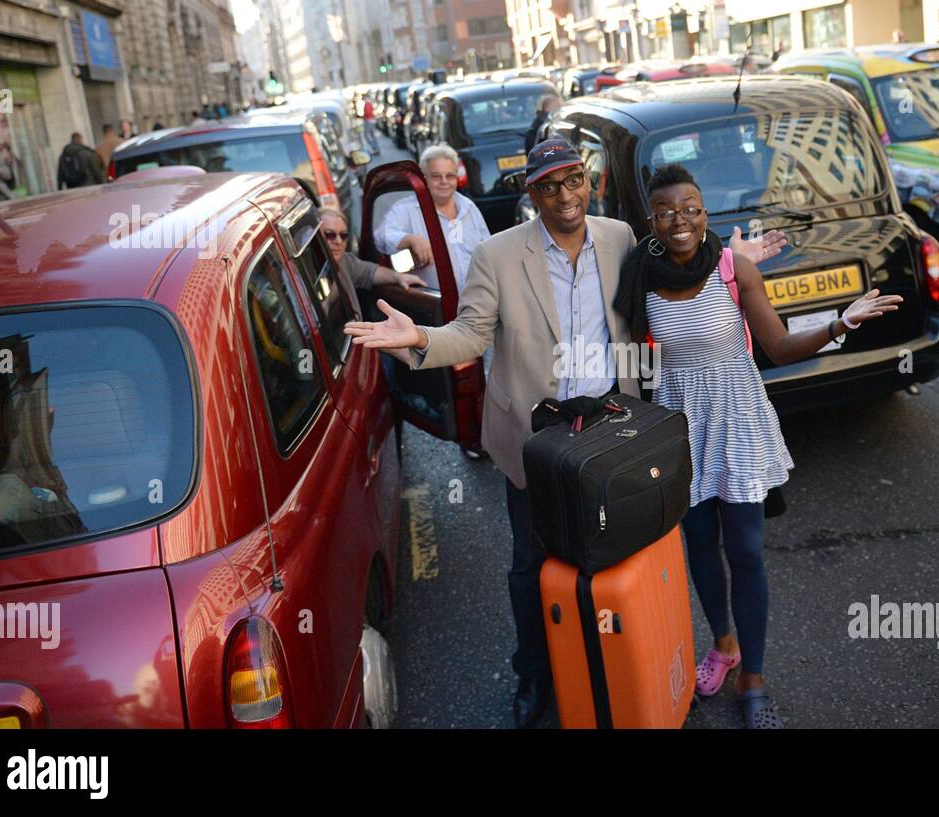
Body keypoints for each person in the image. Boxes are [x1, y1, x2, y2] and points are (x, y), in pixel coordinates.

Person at [344, 139, 784, 729]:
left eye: (573, 180)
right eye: (549, 185)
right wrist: (419, 340)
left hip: (612, 433)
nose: (565, 195)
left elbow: (681, 260)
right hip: (537, 438)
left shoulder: (620, 238)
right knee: (532, 565)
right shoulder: (498, 255)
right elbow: (472, 335)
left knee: (621, 559)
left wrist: (732, 257)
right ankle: (535, 674)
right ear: (533, 194)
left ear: (587, 183)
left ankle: (626, 670)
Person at [613, 164, 901, 729]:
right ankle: (723, 646)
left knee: (745, 550)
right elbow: (632, 355)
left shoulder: (734, 269)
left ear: (704, 213)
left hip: (737, 419)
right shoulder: (640, 276)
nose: (681, 220)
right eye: (668, 211)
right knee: (698, 546)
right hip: (680, 426)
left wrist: (839, 323)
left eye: (691, 208)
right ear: (653, 220)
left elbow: (779, 346)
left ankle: (755, 679)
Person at [373, 143, 490, 292]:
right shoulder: (405, 209)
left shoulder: (469, 207)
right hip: (435, 306)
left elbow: (487, 250)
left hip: (477, 301)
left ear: (456, 178)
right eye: (436, 176)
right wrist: (410, 239)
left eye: (450, 176)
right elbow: (381, 237)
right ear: (424, 178)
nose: (444, 181)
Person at [319, 207, 425, 293]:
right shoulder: (305, 275)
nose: (338, 241)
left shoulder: (346, 261)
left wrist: (398, 277)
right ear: (315, 236)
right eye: (330, 235)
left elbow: (371, 272)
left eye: (343, 235)